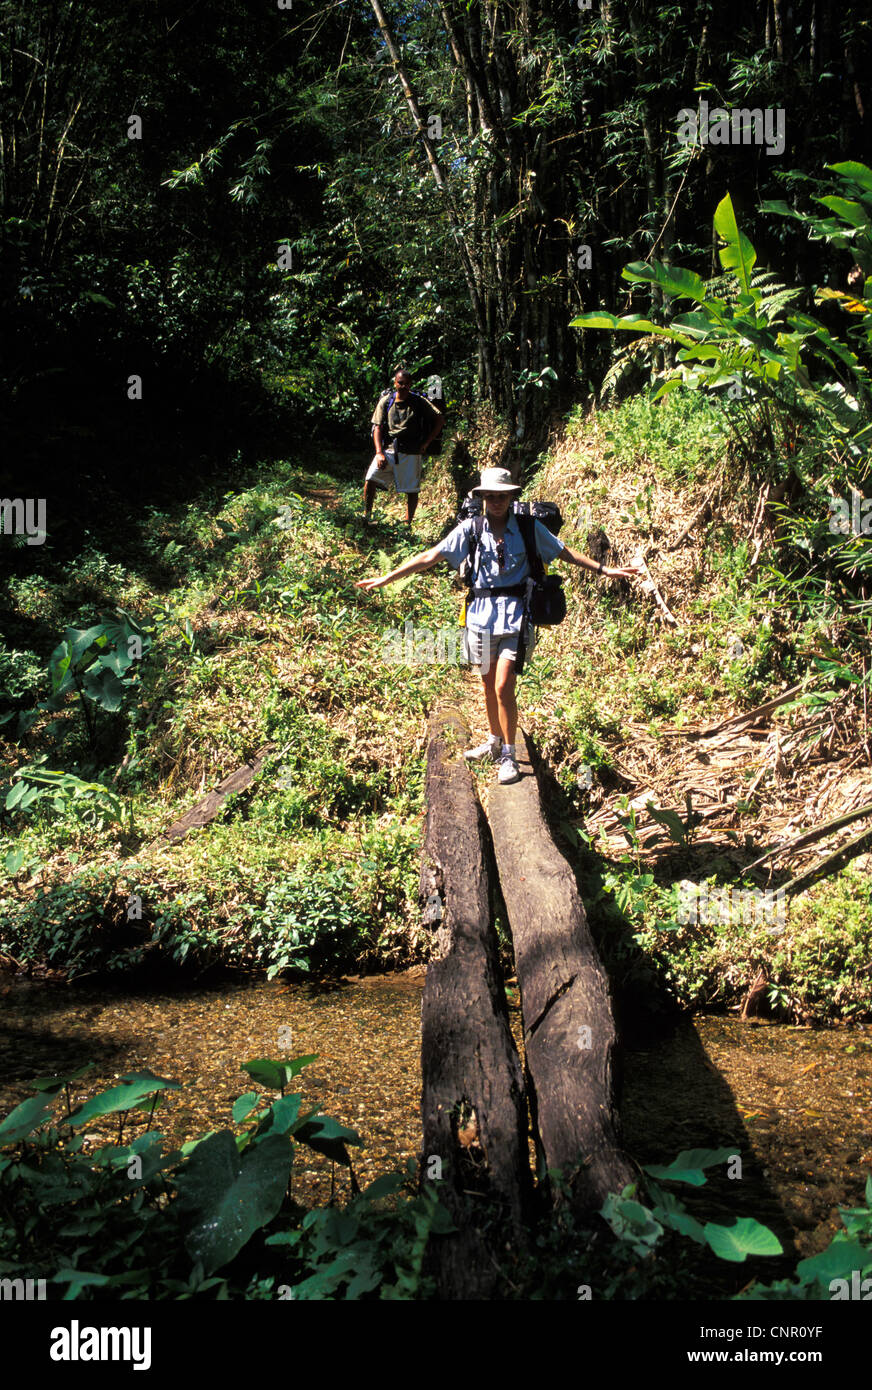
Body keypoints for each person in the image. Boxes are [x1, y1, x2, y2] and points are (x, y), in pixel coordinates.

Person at [356, 466, 642, 783]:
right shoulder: (471, 529)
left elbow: (564, 553)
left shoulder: (528, 527)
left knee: (504, 686)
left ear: (511, 497)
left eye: (501, 496)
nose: (495, 501)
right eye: (490, 496)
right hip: (479, 617)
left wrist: (605, 570)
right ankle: (493, 741)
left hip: (516, 617)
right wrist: (387, 577)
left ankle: (509, 755)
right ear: (481, 498)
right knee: (487, 685)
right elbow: (431, 556)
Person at [364, 368, 445, 525]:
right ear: (395, 383)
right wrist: (379, 452)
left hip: (411, 451)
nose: (403, 386)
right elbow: (378, 427)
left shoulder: (419, 402)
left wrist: (426, 443)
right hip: (388, 450)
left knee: (411, 490)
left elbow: (439, 420)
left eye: (407, 384)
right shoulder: (387, 401)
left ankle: (407, 524)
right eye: (400, 383)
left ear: (410, 384)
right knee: (370, 479)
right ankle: (367, 516)